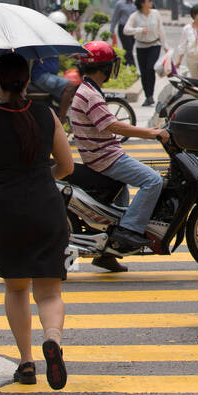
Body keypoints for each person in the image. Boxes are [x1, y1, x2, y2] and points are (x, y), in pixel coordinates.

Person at [0, 53, 73, 388]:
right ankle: (52, 339)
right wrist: (42, 175)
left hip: (5, 210)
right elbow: (66, 166)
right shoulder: (46, 114)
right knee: (49, 292)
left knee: (16, 287)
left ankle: (26, 362)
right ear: (27, 81)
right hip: (45, 207)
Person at [68, 41, 171, 260]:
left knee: (118, 207)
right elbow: (113, 126)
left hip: (100, 155)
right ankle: (129, 231)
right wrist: (151, 133)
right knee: (153, 180)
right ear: (105, 68)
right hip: (106, 158)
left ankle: (107, 254)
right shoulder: (91, 95)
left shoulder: (88, 90)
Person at [122, 0, 166, 107]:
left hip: (154, 44)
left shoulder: (155, 14)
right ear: (142, 3)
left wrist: (165, 45)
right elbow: (126, 30)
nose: (151, 2)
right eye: (149, 0)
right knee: (143, 72)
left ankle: (151, 94)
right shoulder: (135, 16)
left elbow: (161, 30)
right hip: (141, 46)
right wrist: (139, 30)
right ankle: (148, 97)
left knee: (150, 68)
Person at [110, 0, 137, 68]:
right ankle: (133, 68)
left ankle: (122, 66)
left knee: (128, 50)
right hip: (123, 29)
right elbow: (115, 17)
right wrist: (112, 29)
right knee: (128, 49)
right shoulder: (120, 4)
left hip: (133, 29)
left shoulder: (135, 3)